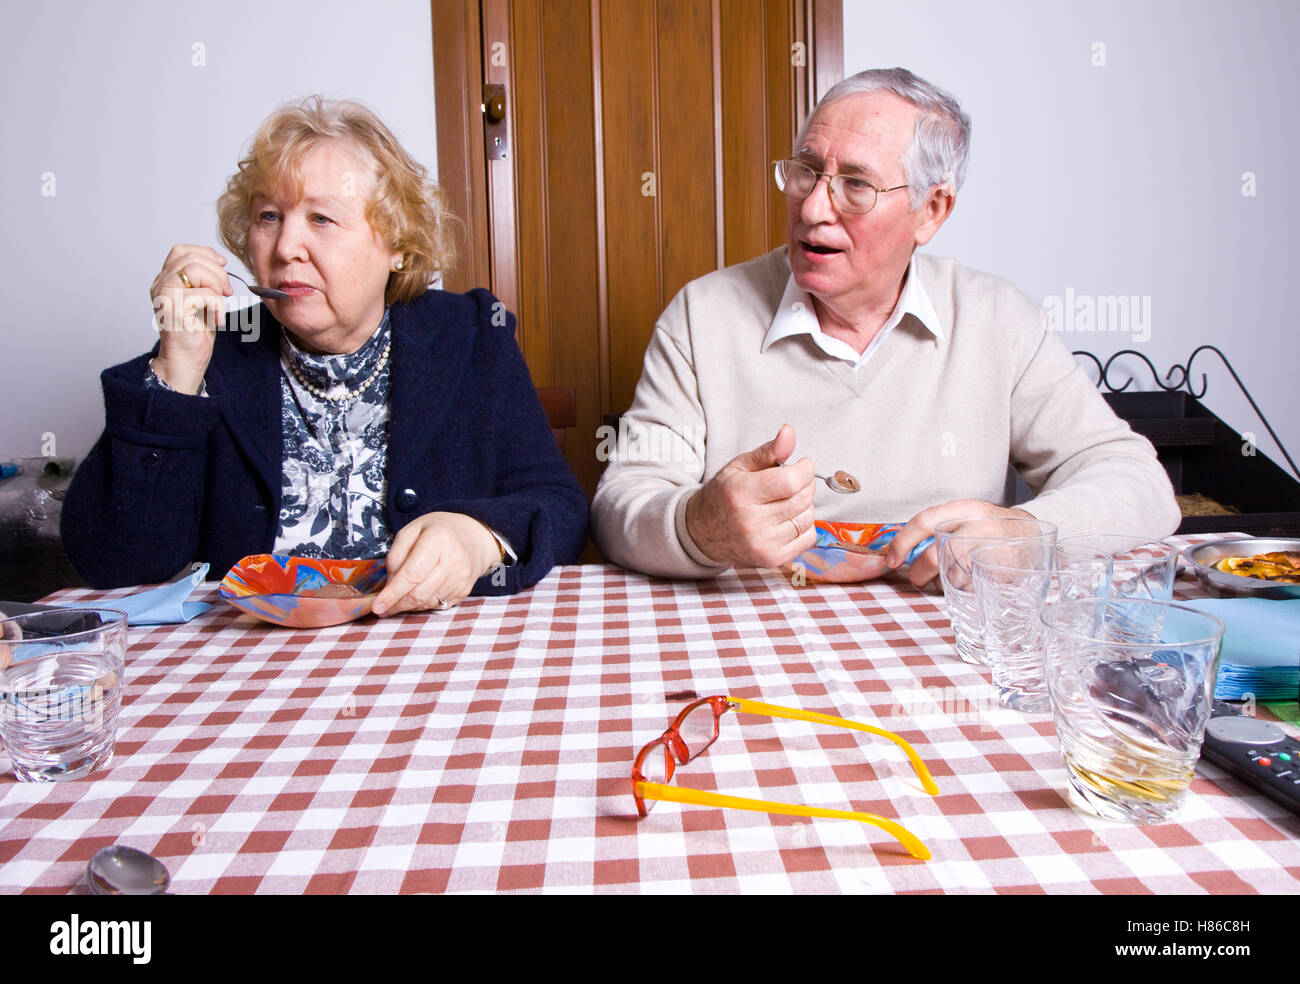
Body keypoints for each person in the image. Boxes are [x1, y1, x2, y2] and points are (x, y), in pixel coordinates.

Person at [591, 68, 1179, 586]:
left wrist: (1026, 531)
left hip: (945, 650)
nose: (814, 208)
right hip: (755, 640)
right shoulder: (702, 316)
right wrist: (701, 526)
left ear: (932, 211)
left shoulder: (1000, 319)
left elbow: (1137, 483)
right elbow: (620, 506)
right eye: (806, 171)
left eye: (856, 184)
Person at [62, 96, 588, 612]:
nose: (286, 245)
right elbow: (115, 563)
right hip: (256, 669)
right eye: (269, 216)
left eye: (321, 219)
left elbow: (560, 506)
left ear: (398, 244)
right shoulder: (214, 353)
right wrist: (175, 375)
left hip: (430, 652)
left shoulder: (471, 335)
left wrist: (479, 539)